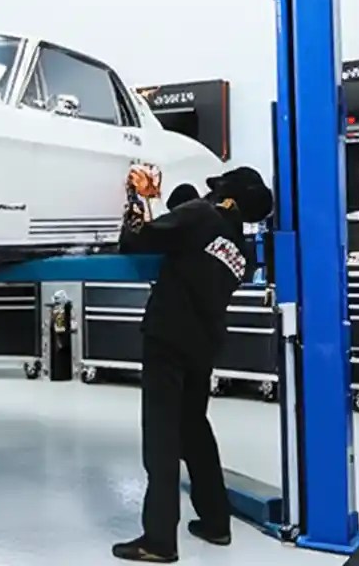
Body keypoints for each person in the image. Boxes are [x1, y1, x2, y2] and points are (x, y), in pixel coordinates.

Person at [111, 166, 274, 563]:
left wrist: (135, 196)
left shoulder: (201, 214)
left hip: (168, 337)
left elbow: (134, 241)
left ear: (226, 192)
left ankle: (158, 539)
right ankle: (216, 522)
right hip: (204, 345)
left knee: (162, 437)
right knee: (194, 431)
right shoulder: (242, 248)